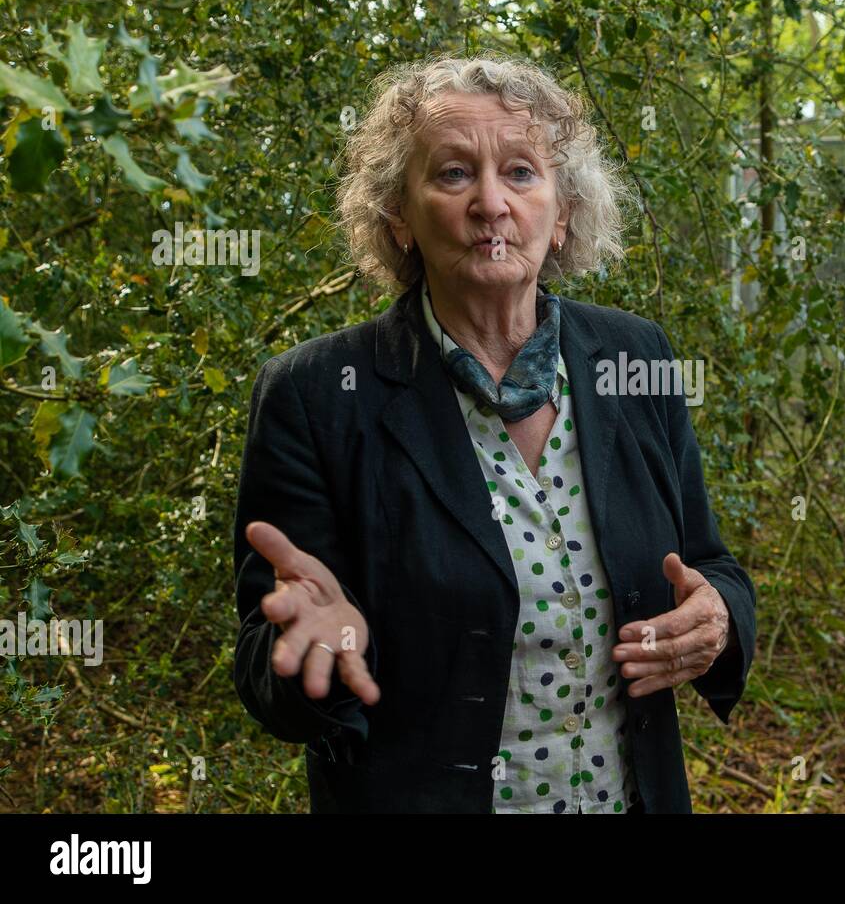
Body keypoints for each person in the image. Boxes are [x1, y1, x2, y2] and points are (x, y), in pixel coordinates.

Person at [231, 53, 757, 813]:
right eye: (451, 175)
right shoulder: (315, 395)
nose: (490, 203)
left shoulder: (636, 357)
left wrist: (718, 619)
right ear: (398, 217)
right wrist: (323, 645)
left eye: (520, 172)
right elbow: (265, 660)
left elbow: (711, 563)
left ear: (563, 209)